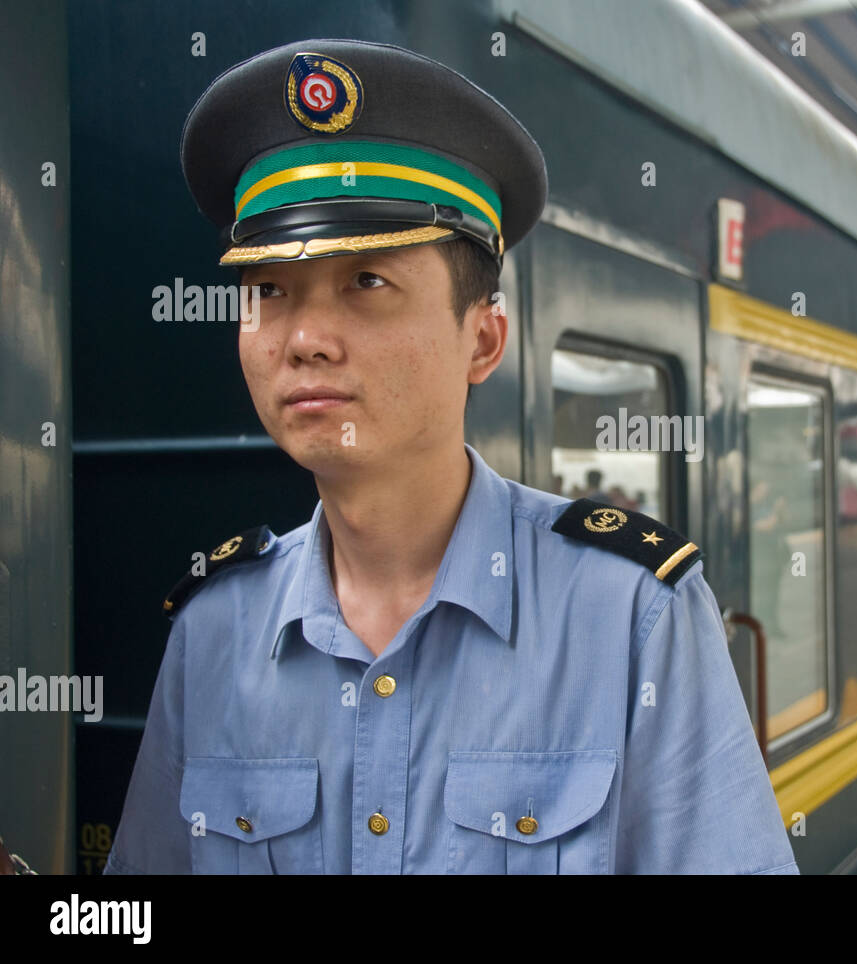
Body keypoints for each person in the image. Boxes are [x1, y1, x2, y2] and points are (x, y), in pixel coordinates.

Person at [105, 40, 796, 875]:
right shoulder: (214, 632)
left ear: (484, 338)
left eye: (367, 283)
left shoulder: (632, 618)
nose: (305, 339)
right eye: (268, 291)